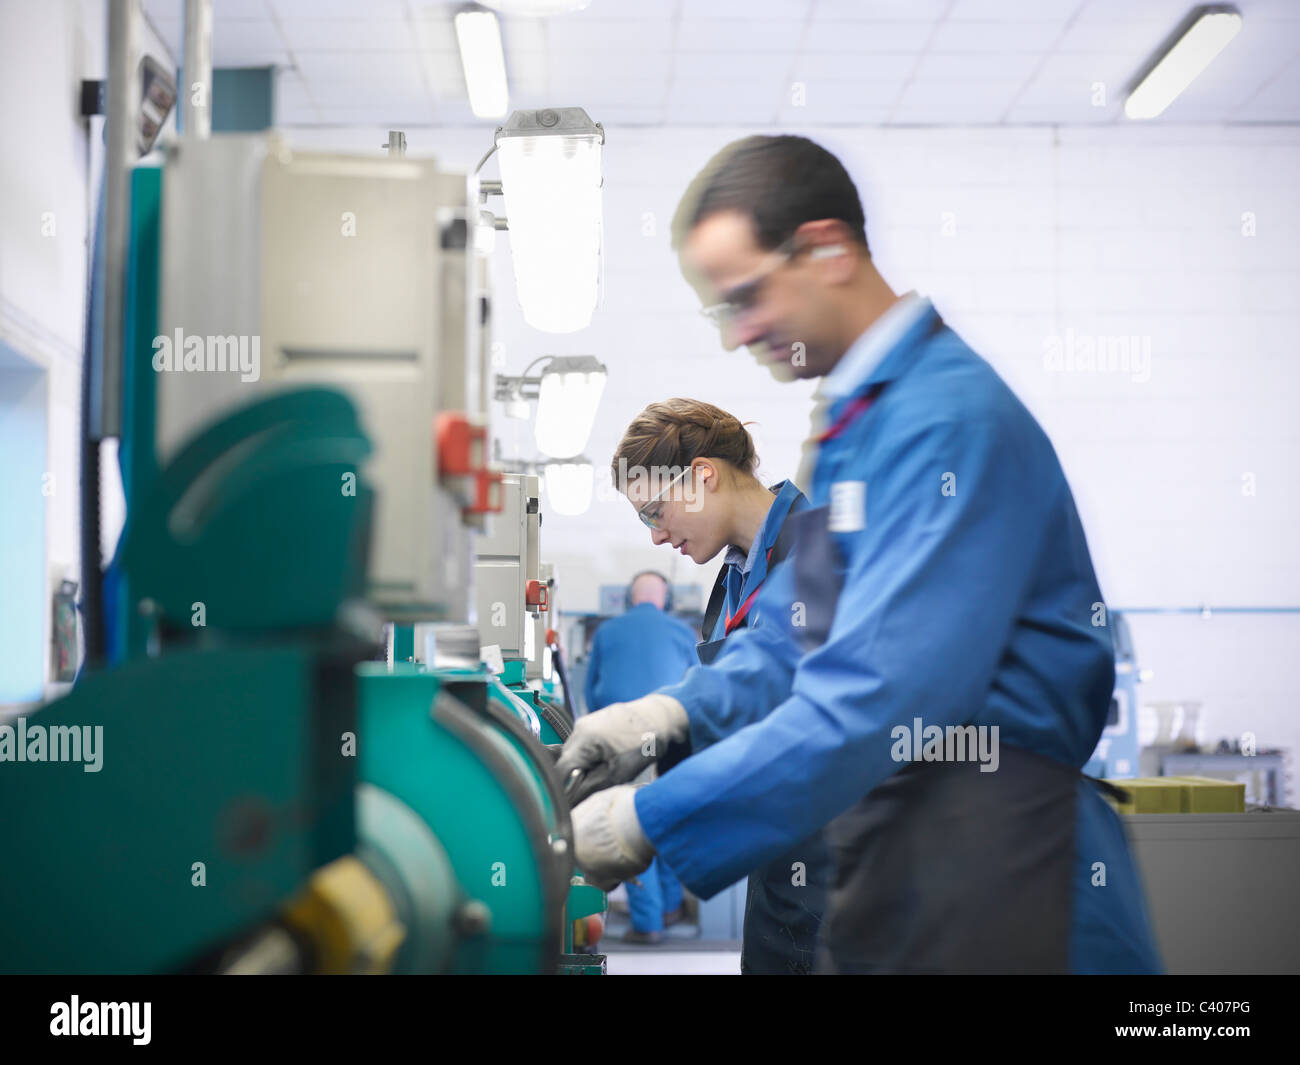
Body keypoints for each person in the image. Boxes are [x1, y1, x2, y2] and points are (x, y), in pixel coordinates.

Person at [558, 134, 1162, 974]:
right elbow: (791, 639)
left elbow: (878, 697)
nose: (738, 336)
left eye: (747, 298)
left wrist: (649, 819)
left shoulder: (942, 422)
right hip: (909, 857)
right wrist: (669, 715)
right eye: (721, 310)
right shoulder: (858, 427)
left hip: (1003, 869)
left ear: (828, 248)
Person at [611, 397, 829, 974]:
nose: (657, 537)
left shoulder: (818, 555)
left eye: (654, 511)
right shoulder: (733, 579)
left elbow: (801, 729)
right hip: (780, 865)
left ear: (703, 475)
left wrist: (652, 813)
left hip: (839, 873)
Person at [581, 570, 695, 944]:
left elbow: (591, 691)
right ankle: (670, 907)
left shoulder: (608, 632)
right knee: (665, 817)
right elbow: (699, 686)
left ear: (630, 599)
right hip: (671, 742)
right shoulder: (682, 632)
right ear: (666, 600)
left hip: (624, 742)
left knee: (631, 820)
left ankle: (647, 924)